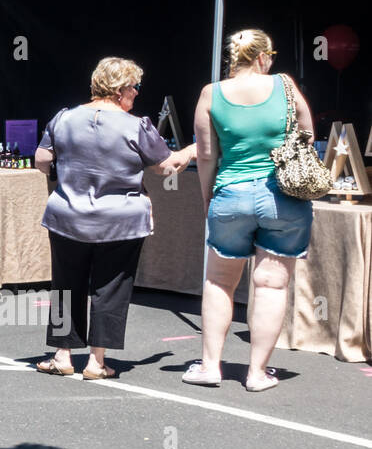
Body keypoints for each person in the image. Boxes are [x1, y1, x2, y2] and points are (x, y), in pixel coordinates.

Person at [33, 57, 194, 379]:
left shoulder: (63, 118)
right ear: (120, 89)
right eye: (134, 87)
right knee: (110, 287)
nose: (136, 93)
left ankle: (62, 356)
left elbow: (41, 160)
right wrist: (192, 149)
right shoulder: (136, 126)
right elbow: (166, 168)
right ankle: (97, 362)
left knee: (66, 285)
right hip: (120, 220)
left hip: (68, 215)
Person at [186, 29, 315, 393]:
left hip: (232, 194)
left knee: (218, 282)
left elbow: (206, 154)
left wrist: (208, 197)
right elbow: (306, 132)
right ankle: (257, 373)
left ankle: (211, 366)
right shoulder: (285, 85)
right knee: (272, 286)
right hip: (284, 198)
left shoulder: (211, 94)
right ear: (262, 57)